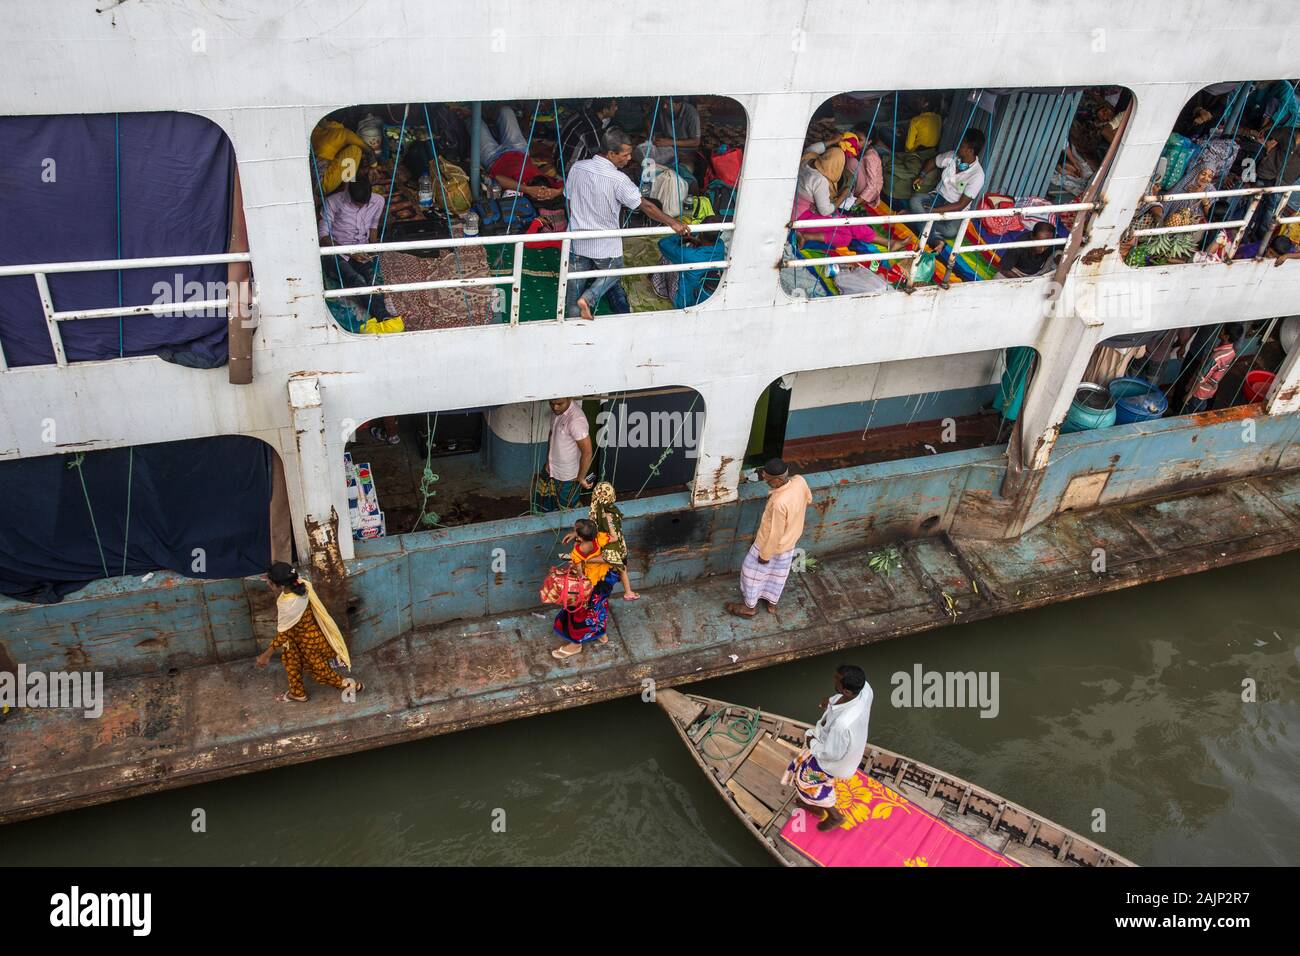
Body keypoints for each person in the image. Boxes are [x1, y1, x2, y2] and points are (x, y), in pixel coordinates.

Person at [563, 127, 688, 320]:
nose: (629, 159)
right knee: (616, 269)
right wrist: (673, 223)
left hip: (576, 239)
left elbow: (569, 200)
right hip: (605, 244)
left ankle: (571, 325)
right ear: (611, 153)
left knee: (573, 289)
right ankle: (589, 298)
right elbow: (646, 206)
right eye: (626, 154)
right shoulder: (619, 179)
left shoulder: (577, 167)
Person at [782, 664, 874, 831]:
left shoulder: (842, 724)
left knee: (805, 780)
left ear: (846, 692)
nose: (833, 680)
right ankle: (814, 804)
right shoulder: (865, 689)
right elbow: (842, 699)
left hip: (833, 761)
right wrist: (831, 701)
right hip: (850, 745)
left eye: (837, 680)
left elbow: (830, 754)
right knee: (804, 770)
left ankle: (833, 815)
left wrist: (811, 741)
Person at [256, 562, 362, 702]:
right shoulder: (301, 586)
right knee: (291, 662)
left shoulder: (288, 604)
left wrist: (267, 654)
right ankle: (298, 693)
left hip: (307, 643)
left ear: (279, 584)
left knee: (320, 671)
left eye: (270, 580)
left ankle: (352, 686)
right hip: (302, 637)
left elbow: (285, 633)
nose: (267, 582)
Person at [725, 458, 813, 619]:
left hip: (769, 545)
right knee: (778, 574)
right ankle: (772, 603)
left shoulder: (779, 502)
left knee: (750, 573)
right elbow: (808, 498)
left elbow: (775, 533)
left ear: (779, 479)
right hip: (789, 543)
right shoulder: (800, 480)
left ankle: (749, 607)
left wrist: (765, 555)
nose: (764, 480)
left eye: (767, 478)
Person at [318, 174, 401, 324]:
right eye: (357, 204)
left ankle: (381, 313)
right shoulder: (333, 202)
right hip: (336, 252)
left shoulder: (378, 201)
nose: (361, 207)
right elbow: (323, 236)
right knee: (356, 279)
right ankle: (383, 316)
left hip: (360, 250)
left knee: (373, 280)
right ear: (348, 192)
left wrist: (372, 248)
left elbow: (373, 226)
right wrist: (350, 252)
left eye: (364, 204)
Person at [550, 518, 621, 659]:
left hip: (589, 586)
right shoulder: (600, 538)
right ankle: (601, 634)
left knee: (578, 614)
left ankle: (576, 644)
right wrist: (609, 520)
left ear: (581, 537)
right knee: (599, 607)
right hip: (604, 580)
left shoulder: (578, 552)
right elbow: (614, 537)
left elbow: (580, 574)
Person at [792, 133, 878, 247]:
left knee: (845, 228)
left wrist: (833, 141)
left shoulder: (807, 160)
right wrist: (843, 195)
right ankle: (804, 235)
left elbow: (813, 148)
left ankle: (805, 236)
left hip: (793, 207)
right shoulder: (819, 180)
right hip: (801, 216)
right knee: (845, 231)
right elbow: (825, 211)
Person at [909, 129, 986, 242]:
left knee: (950, 231)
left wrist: (935, 211)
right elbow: (933, 161)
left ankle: (916, 218)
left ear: (970, 151)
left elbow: (960, 205)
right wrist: (922, 175)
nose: (958, 145)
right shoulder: (952, 156)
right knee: (915, 200)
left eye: (962, 144)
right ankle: (934, 238)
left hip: (955, 208)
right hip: (938, 197)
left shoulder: (977, 175)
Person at [478, 104, 563, 204]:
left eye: (540, 195)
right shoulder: (548, 185)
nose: (541, 191)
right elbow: (570, 185)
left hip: (493, 157)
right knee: (506, 110)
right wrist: (556, 192)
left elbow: (498, 178)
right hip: (519, 150)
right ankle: (491, 115)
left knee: (475, 123)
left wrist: (527, 189)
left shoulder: (518, 191)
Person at [575, 481, 639, 600]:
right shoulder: (603, 510)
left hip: (612, 546)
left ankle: (628, 592)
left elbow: (614, 537)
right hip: (611, 542)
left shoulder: (607, 516)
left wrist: (599, 541)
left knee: (621, 568)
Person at [532, 397, 593, 512]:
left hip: (567, 476)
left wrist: (580, 477)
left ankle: (573, 528)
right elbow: (552, 434)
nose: (555, 407)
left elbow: (587, 452)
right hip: (551, 468)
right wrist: (548, 461)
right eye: (551, 403)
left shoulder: (576, 421)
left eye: (559, 404)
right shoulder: (557, 411)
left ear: (570, 397)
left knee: (567, 508)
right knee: (544, 502)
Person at [1183, 323, 1241, 413]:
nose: (1220, 331)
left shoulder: (1216, 357)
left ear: (1226, 336)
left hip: (1198, 391)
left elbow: (1201, 377)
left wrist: (1190, 394)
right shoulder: (1231, 352)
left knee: (1189, 412)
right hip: (1209, 390)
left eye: (1222, 330)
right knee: (1199, 410)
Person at [634, 97, 701, 170]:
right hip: (667, 147)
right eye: (664, 103)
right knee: (643, 156)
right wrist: (653, 136)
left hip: (685, 152)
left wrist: (670, 142)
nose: (664, 106)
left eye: (668, 104)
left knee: (684, 171)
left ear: (678, 104)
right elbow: (649, 122)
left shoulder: (691, 114)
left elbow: (696, 142)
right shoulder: (662, 108)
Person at [558, 97, 619, 171]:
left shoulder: (584, 113)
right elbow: (600, 155)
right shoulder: (592, 126)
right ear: (605, 110)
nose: (616, 108)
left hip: (559, 161)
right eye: (614, 106)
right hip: (568, 169)